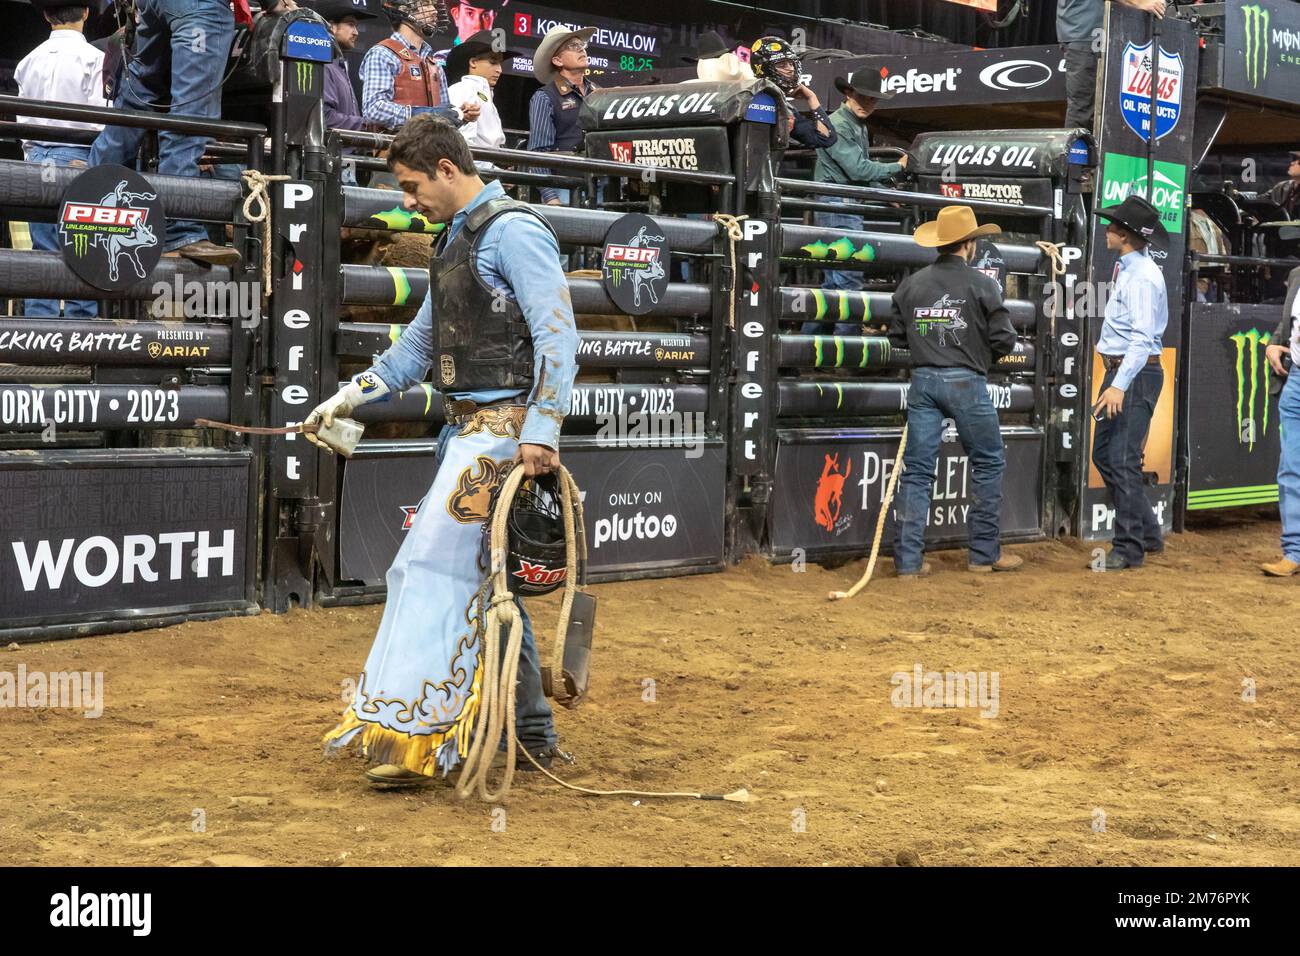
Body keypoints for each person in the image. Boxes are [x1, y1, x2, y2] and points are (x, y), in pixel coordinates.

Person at [314, 116, 578, 787]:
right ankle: (533, 730)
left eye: (411, 185)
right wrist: (348, 396)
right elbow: (418, 349)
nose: (406, 200)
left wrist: (541, 429)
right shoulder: (460, 239)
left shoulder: (513, 231)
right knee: (483, 584)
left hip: (498, 436)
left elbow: (557, 334)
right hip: (471, 436)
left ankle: (419, 738)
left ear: (446, 168)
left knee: (433, 571)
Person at [886, 206, 1023, 577]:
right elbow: (1005, 340)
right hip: (966, 382)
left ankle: (909, 563)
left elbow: (897, 336)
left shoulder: (911, 284)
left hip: (924, 381)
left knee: (917, 471)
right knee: (988, 460)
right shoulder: (983, 284)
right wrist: (980, 353)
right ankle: (982, 555)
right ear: (969, 245)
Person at [88, 0, 243, 266]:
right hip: (197, 7)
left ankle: (91, 201)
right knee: (191, 114)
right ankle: (179, 230)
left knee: (139, 98)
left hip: (153, 6)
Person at [1089, 194, 1169, 570]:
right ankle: (1147, 534)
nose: (1107, 230)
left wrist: (1119, 384)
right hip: (1126, 371)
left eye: (1112, 226)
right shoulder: (1133, 270)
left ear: (1125, 235)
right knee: (1107, 455)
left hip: (1131, 374)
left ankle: (1129, 547)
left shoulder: (1141, 276)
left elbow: (1141, 337)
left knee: (1118, 458)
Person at [15, 0, 107, 317]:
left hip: (38, 157)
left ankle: (40, 327)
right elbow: (101, 119)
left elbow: (23, 121)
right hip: (79, 154)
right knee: (84, 246)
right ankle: (80, 328)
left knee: (43, 246)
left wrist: (32, 155)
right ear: (86, 13)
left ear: (45, 15)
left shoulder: (27, 61)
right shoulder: (95, 59)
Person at [803, 70, 906, 336]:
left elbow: (854, 171)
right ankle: (846, 352)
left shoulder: (852, 124)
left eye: (873, 99)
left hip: (835, 202)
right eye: (863, 97)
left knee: (834, 283)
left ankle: (804, 350)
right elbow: (857, 169)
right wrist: (898, 166)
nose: (867, 103)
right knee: (847, 280)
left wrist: (885, 192)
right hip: (839, 203)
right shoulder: (839, 123)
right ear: (849, 94)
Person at [362, 0, 476, 130]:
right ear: (404, 10)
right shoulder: (383, 54)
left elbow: (443, 122)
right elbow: (373, 110)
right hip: (396, 147)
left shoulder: (434, 65)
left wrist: (460, 115)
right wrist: (429, 115)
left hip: (431, 146)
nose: (434, 11)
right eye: (426, 4)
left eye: (433, 5)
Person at [1059, 0, 1167, 131]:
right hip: (1086, 35)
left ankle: (1096, 150)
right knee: (1083, 109)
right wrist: (1141, 3)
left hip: (1108, 34)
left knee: (1109, 109)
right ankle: (1076, 151)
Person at [527, 25, 597, 207]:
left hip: (599, 186)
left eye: (582, 45)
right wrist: (550, 197)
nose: (581, 49)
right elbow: (537, 153)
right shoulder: (545, 97)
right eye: (573, 46)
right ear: (557, 60)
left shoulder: (599, 94)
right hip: (563, 187)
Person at [313, 0, 380, 185]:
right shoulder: (323, 65)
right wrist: (368, 125)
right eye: (350, 24)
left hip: (345, 163)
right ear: (331, 27)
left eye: (356, 26)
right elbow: (325, 119)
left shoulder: (338, 66)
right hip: (329, 165)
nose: (356, 32)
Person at [1262, 264, 1300, 576]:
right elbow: (1289, 323)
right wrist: (1274, 343)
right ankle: (1294, 551)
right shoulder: (1297, 275)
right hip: (1296, 380)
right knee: (1291, 467)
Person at [749, 35, 835, 150]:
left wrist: (811, 98)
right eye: (782, 65)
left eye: (791, 63)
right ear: (764, 68)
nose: (791, 69)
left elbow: (826, 139)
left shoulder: (784, 107)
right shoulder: (748, 98)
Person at [444, 28, 514, 152]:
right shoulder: (463, 90)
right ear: (473, 62)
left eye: (500, 63)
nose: (500, 70)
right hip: (478, 166)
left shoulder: (483, 92)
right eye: (493, 62)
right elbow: (464, 143)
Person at [1267, 151, 1300, 219]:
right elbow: (1259, 199)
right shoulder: (1281, 187)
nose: (1292, 163)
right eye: (1294, 159)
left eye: (1298, 161)